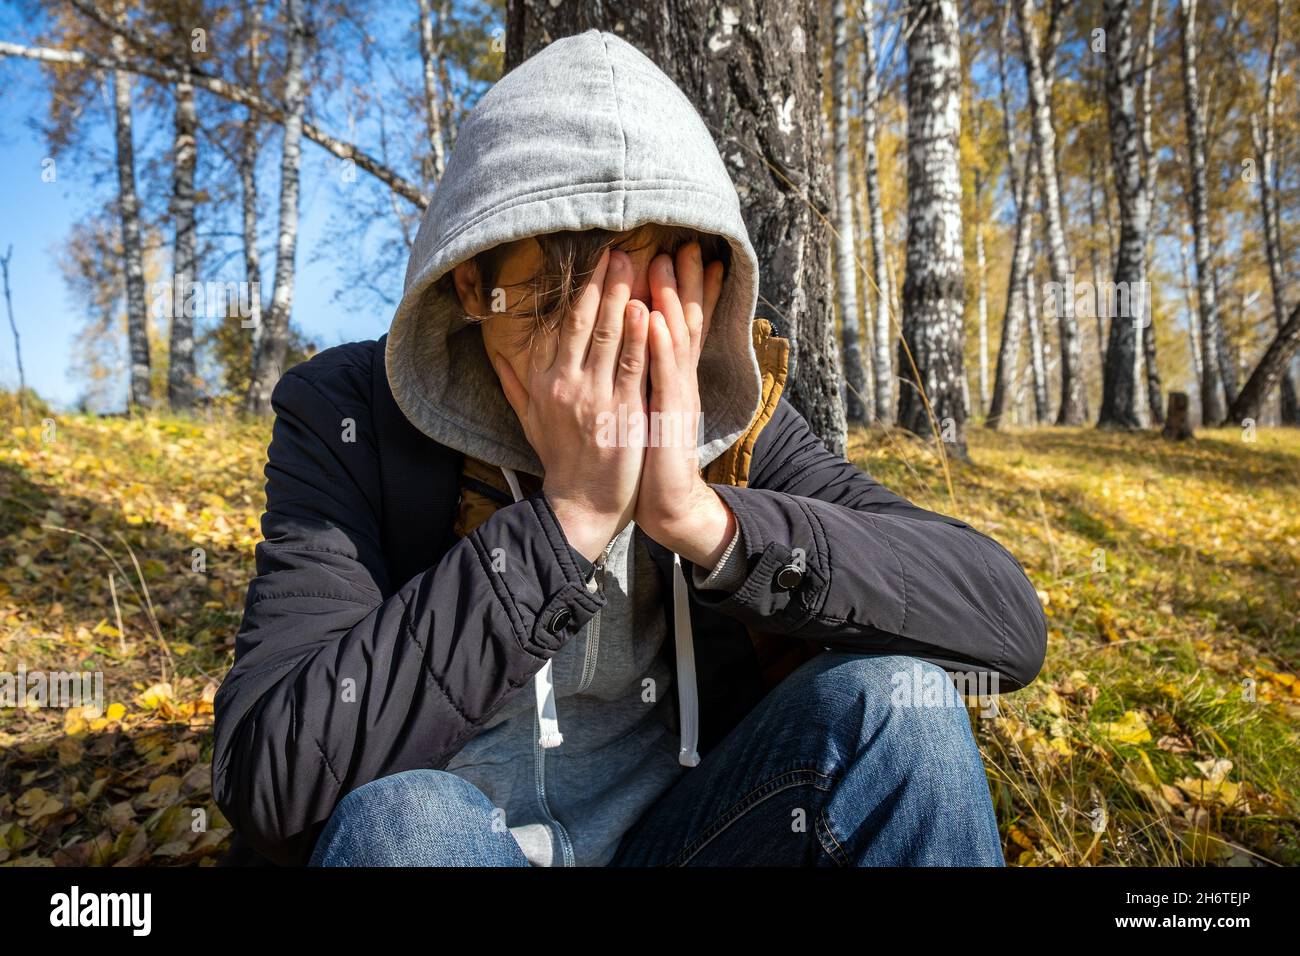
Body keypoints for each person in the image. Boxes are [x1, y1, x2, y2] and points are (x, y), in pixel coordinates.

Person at [212, 29, 1047, 868]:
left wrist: (705, 518)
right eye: (564, 305)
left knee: (899, 706)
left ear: (704, 291)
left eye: (646, 301)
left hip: (695, 839)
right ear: (471, 282)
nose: (609, 356)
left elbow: (1005, 625)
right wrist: (564, 522)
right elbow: (265, 774)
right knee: (407, 825)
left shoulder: (728, 420)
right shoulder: (355, 412)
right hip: (454, 847)